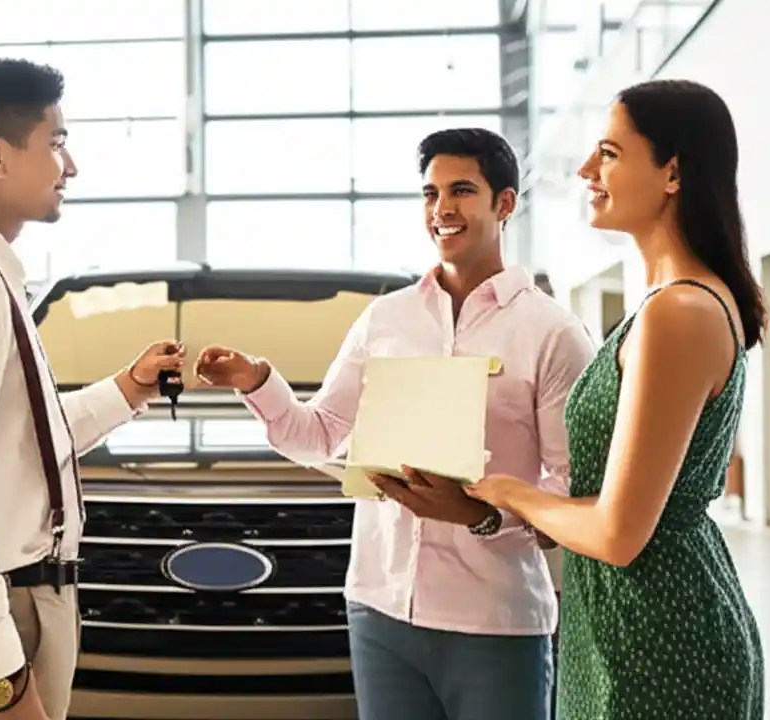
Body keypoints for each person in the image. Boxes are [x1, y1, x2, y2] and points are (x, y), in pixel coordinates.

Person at [194, 128, 597, 720]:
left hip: (494, 618)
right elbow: (320, 434)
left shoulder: (553, 333)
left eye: (462, 190)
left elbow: (571, 495)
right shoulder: (386, 318)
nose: (443, 209)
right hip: (379, 611)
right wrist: (258, 382)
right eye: (430, 194)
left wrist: (480, 516)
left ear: (505, 203)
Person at [0, 59, 186, 720]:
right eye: (55, 143)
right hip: (2, 609)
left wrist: (128, 389)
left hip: (20, 601)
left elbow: (19, 439)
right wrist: (2, 679)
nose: (70, 165)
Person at [465, 79, 766, 719]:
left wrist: (509, 491)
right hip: (622, 620)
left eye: (608, 152)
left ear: (673, 172)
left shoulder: (679, 312)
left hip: (660, 635)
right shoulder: (670, 304)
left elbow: (618, 533)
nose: (584, 170)